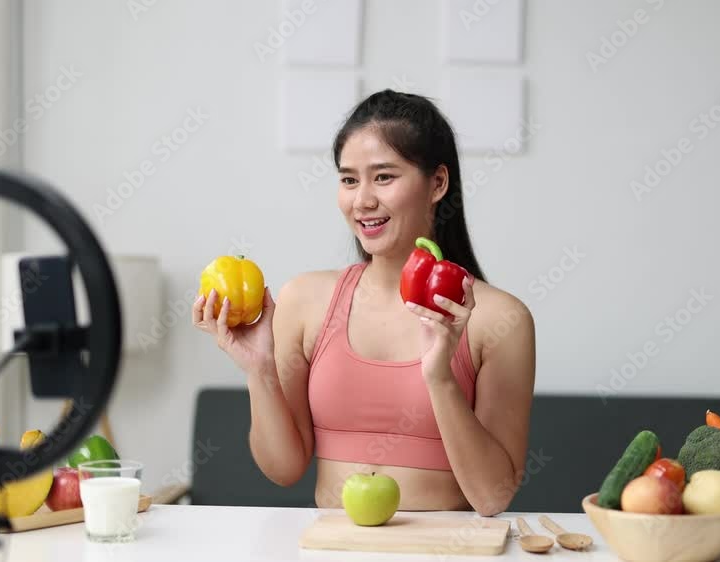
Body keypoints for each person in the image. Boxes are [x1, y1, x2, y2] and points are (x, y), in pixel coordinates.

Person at [192, 89, 536, 516]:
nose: (362, 200)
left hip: (448, 549)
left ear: (438, 184)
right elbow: (284, 469)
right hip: (333, 547)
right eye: (349, 179)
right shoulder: (305, 300)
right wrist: (259, 368)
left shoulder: (500, 319)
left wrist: (440, 377)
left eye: (384, 177)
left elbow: (492, 497)